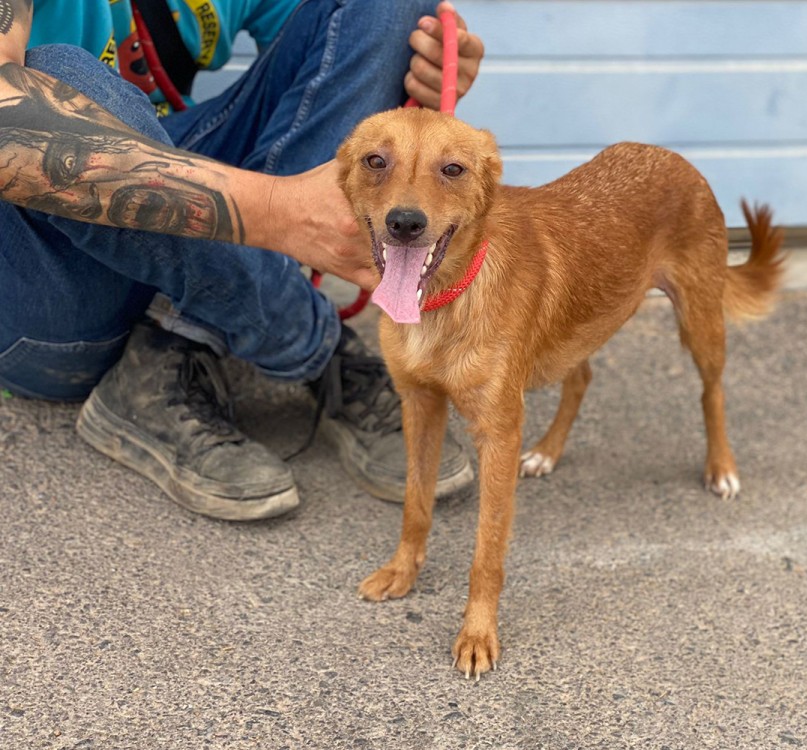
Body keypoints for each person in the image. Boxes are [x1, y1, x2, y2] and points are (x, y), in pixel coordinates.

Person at [0, 0, 485, 520]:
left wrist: (418, 62)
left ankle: (174, 345)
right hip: (52, 303)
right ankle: (302, 332)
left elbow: (341, 56)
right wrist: (279, 212)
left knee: (388, 8)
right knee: (59, 78)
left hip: (182, 236)